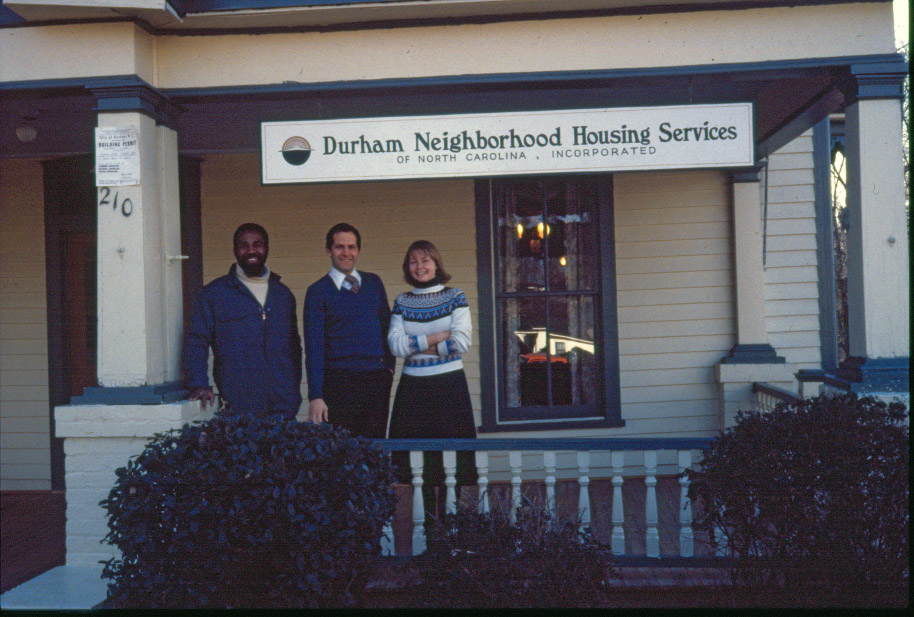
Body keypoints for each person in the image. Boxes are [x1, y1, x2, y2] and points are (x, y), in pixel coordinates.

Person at [387, 240, 477, 512]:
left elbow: (462, 342)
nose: (420, 267)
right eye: (413, 261)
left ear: (436, 263)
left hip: (449, 387)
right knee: (420, 463)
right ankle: (426, 528)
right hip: (414, 389)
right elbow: (395, 345)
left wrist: (415, 344)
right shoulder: (402, 301)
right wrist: (438, 336)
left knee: (451, 461)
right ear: (407, 267)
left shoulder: (455, 297)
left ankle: (449, 527)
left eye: (425, 260)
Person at [183, 223, 303, 418]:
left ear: (267, 249)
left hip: (283, 406)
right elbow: (196, 341)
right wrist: (198, 384)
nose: (251, 250)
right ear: (235, 250)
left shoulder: (283, 295)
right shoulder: (214, 294)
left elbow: (294, 348)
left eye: (257, 244)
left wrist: (291, 390)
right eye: (244, 245)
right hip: (238, 407)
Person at [304, 223, 395, 438]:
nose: (346, 253)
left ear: (358, 250)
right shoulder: (317, 292)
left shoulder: (374, 283)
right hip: (338, 381)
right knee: (341, 451)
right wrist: (315, 395)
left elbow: (387, 328)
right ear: (329, 250)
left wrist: (389, 369)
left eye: (352, 247)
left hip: (375, 379)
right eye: (339, 247)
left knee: (375, 448)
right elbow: (314, 346)